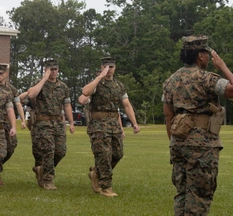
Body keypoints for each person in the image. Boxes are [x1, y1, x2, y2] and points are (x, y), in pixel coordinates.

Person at [163, 36, 233, 216]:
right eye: (207, 53)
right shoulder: (207, 79)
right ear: (200, 55)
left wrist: (173, 142)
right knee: (200, 191)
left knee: (182, 191)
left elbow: (168, 115)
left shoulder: (171, 80)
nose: (209, 57)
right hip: (201, 142)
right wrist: (223, 67)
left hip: (178, 140)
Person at [78, 56, 140, 197]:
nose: (109, 69)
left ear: (115, 67)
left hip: (114, 124)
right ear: (101, 67)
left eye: (111, 66)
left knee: (118, 154)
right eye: (106, 66)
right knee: (104, 156)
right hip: (98, 125)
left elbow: (126, 105)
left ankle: (96, 173)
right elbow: (85, 93)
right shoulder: (96, 84)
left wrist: (134, 123)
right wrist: (100, 77)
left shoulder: (119, 86)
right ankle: (106, 187)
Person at [26, 59, 75, 190]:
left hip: (58, 123)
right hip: (42, 123)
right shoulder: (38, 83)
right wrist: (43, 79)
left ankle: (42, 169)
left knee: (60, 151)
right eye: (50, 69)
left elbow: (67, 105)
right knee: (48, 150)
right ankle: (48, 180)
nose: (53, 72)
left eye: (55, 69)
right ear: (46, 70)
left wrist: (71, 122)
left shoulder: (63, 87)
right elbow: (31, 95)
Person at [0, 63, 24, 186]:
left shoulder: (10, 89)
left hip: (6, 123)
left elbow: (13, 107)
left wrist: (22, 121)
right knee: (1, 152)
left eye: (1, 73)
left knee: (10, 147)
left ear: (5, 74)